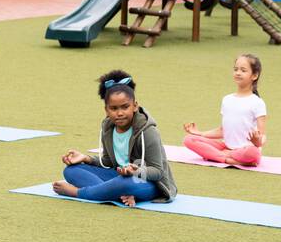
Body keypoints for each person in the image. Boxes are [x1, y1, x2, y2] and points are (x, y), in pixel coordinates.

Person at [54, 70, 177, 207]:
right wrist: (85, 158)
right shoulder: (108, 127)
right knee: (71, 170)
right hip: (119, 178)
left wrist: (135, 171)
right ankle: (119, 195)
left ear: (135, 106)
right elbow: (108, 162)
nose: (119, 113)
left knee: (125, 183)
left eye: (125, 107)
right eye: (114, 108)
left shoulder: (148, 131)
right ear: (106, 110)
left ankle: (79, 193)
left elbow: (157, 172)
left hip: (147, 182)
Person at [182, 54, 267, 166]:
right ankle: (229, 159)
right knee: (189, 140)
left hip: (245, 150)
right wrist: (200, 133)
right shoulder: (227, 99)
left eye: (243, 70)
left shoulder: (257, 103)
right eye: (235, 69)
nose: (238, 72)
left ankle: (217, 156)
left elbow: (262, 136)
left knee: (253, 153)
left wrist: (258, 142)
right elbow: (223, 130)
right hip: (225, 147)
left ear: (254, 75)